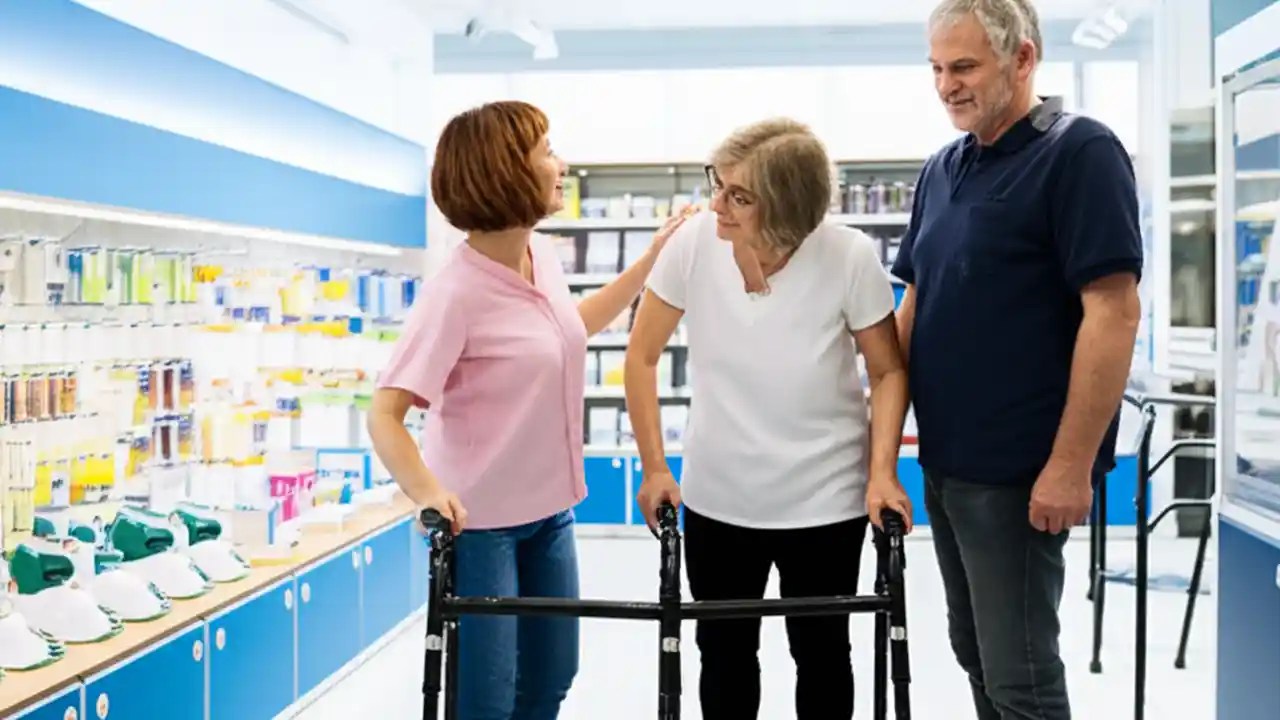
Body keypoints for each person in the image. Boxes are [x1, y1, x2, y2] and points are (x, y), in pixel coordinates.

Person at [367, 100, 692, 720]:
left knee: (550, 678)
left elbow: (569, 329)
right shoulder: (454, 295)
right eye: (546, 152)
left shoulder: (541, 258)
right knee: (487, 700)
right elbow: (386, 412)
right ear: (504, 171)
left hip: (550, 514)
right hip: (481, 527)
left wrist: (649, 263)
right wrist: (429, 494)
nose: (560, 164)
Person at [892, 1, 1143, 718]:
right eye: (937, 68)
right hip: (947, 464)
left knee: (1022, 676)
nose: (946, 85)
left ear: (1023, 58)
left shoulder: (1079, 153)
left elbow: (1113, 313)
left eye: (964, 66)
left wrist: (1069, 465)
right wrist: (881, 438)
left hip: (1020, 473)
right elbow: (917, 304)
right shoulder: (943, 169)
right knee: (975, 652)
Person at [625, 117, 914, 720]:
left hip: (825, 499)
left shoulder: (849, 256)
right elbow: (642, 354)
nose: (717, 204)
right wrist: (654, 468)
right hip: (718, 495)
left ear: (784, 207)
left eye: (739, 195)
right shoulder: (693, 244)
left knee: (823, 653)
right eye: (718, 184)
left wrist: (881, 473)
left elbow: (887, 371)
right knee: (724, 655)